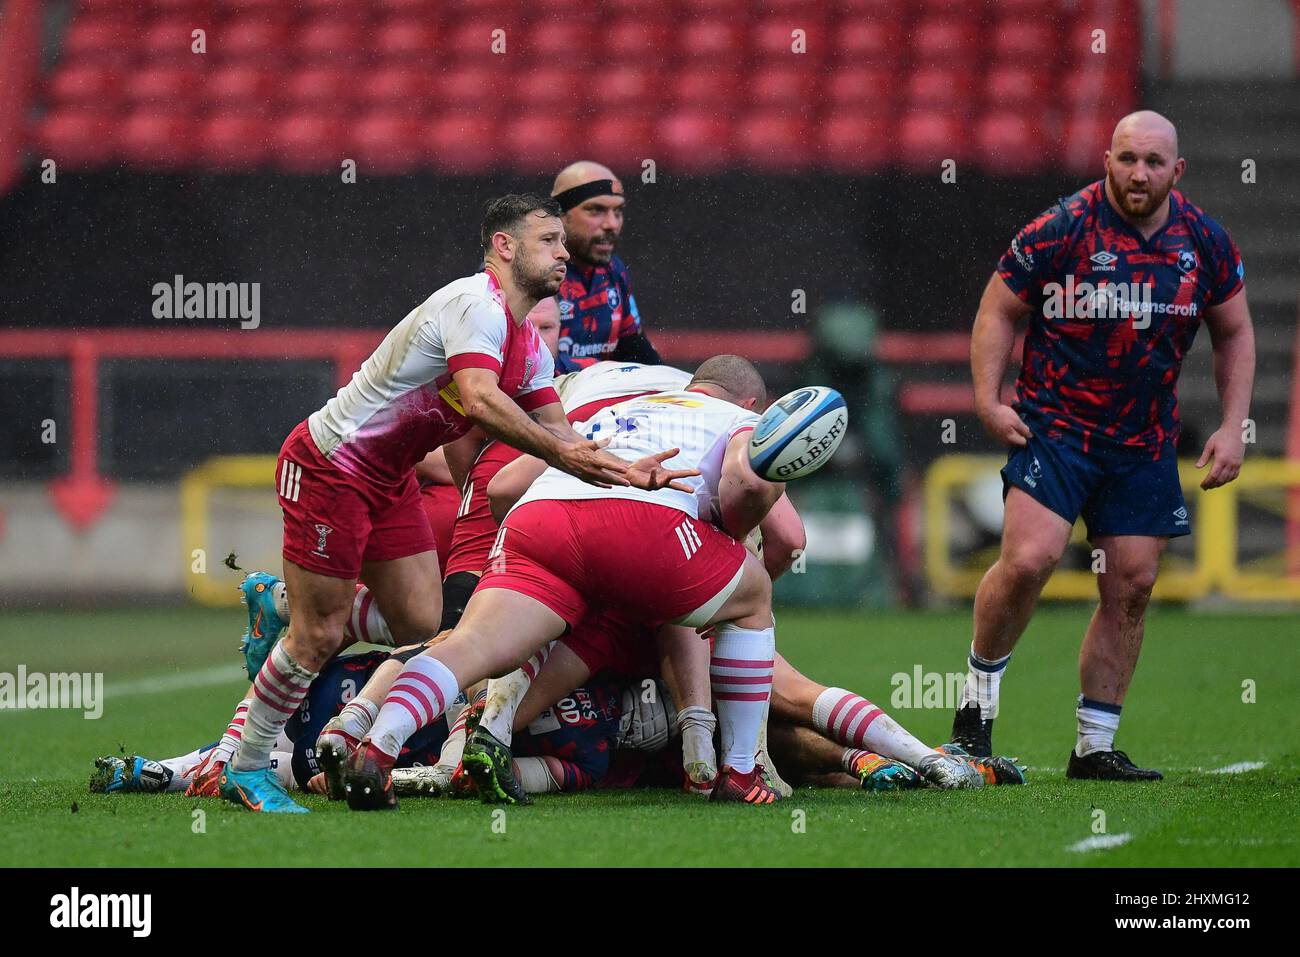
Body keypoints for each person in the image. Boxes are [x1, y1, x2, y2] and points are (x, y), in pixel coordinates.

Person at [219, 193, 682, 813]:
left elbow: (564, 435)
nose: (564, 251)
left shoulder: (529, 343)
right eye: (549, 240)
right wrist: (565, 455)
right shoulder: (475, 304)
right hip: (331, 464)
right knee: (318, 634)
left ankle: (278, 604)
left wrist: (628, 473)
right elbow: (483, 401)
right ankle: (246, 768)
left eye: (562, 243)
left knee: (422, 625)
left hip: (389, 479)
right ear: (505, 246)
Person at [950, 110, 1255, 780]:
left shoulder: (1204, 240)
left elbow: (1233, 330)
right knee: (1030, 559)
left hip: (1144, 439)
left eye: (1151, 161)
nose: (1137, 173)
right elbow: (998, 309)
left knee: (1135, 583)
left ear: (1177, 171)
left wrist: (1234, 423)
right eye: (1125, 159)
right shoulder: (1061, 227)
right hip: (1054, 427)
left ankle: (1094, 745)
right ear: (1107, 160)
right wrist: (987, 399)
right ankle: (973, 715)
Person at [343, 356, 788, 810]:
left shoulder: (618, 411)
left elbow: (503, 487)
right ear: (752, 403)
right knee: (753, 597)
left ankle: (377, 747)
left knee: (471, 644)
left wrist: (534, 562)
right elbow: (758, 499)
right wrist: (724, 540)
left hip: (538, 516)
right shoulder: (743, 421)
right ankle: (738, 771)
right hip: (645, 524)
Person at [551, 161, 660, 372]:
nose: (612, 224)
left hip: (596, 394)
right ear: (560, 216)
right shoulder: (527, 276)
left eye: (618, 212)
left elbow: (633, 348)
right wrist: (603, 372)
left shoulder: (613, 270)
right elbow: (528, 369)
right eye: (595, 210)